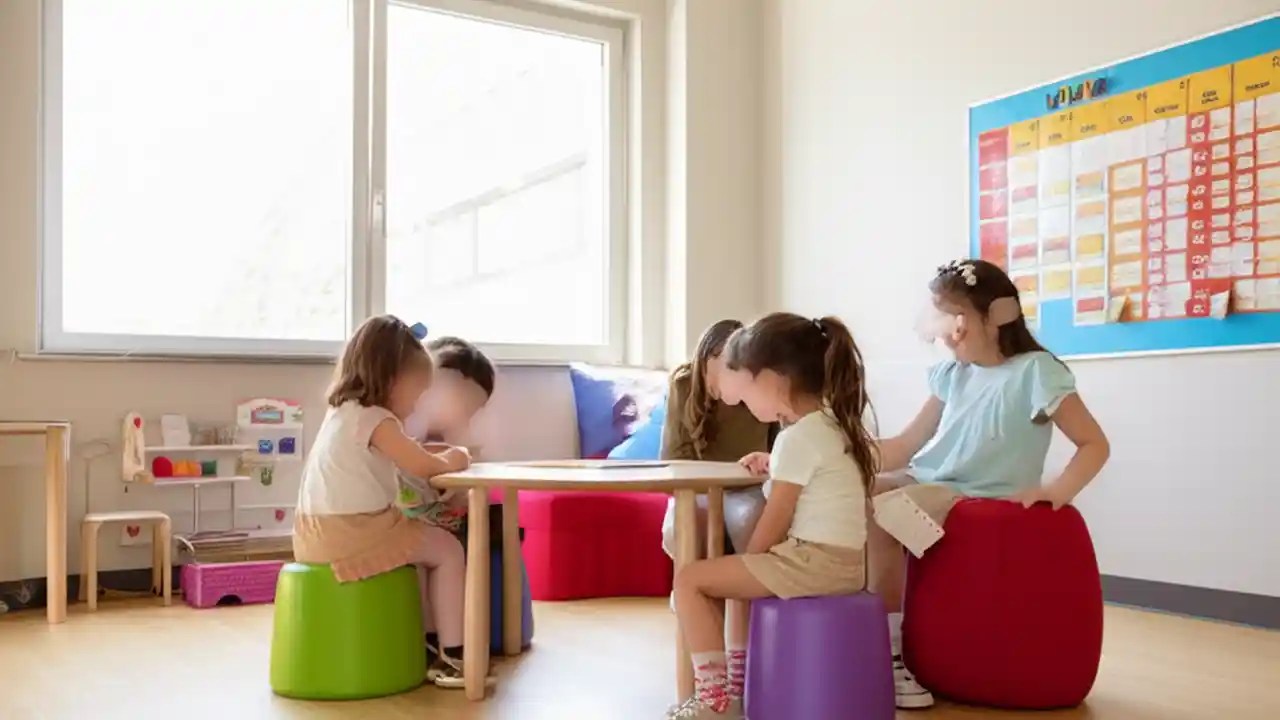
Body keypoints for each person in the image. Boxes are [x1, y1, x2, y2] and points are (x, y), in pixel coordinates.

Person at [873, 259, 1110, 709]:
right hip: (928, 478)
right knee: (854, 492)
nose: (946, 333)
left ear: (996, 317)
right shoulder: (953, 375)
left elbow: (1093, 443)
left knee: (883, 514)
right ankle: (863, 631)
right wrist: (835, 453)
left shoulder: (1035, 371)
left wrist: (1058, 491)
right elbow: (905, 446)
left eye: (955, 320)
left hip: (967, 491)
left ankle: (890, 654)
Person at [667, 313, 878, 720]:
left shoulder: (797, 438)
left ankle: (715, 701)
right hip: (844, 564)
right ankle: (739, 685)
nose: (745, 400)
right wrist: (773, 461)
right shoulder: (828, 426)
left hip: (813, 563)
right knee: (727, 578)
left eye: (747, 388)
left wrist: (753, 558)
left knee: (690, 579)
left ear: (774, 380)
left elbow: (778, 515)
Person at [291, 315, 488, 690]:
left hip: (313, 534)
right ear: (392, 380)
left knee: (420, 549)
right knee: (446, 550)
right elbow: (424, 467)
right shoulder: (378, 419)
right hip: (353, 533)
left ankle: (429, 644)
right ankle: (455, 655)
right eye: (415, 395)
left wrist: (433, 453)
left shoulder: (343, 413)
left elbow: (407, 453)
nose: (415, 407)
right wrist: (458, 456)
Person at [659, 319, 778, 560]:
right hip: (697, 487)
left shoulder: (758, 389)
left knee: (750, 518)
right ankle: (695, 591)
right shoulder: (683, 385)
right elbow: (673, 459)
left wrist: (767, 462)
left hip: (749, 486)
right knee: (684, 525)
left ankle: (744, 594)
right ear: (707, 358)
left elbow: (781, 447)